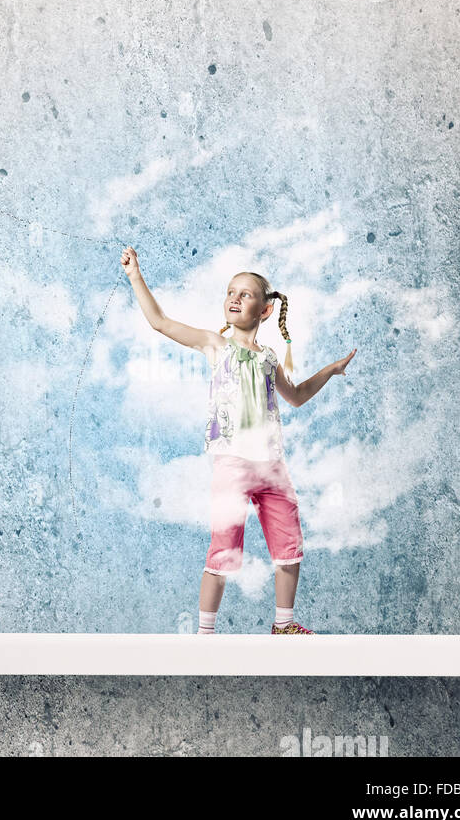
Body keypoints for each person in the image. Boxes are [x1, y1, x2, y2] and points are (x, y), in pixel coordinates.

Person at [120, 246, 355, 635]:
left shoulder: (268, 357)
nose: (234, 297)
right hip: (233, 465)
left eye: (245, 294)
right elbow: (160, 322)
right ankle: (205, 635)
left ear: (264, 310)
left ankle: (283, 625)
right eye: (231, 291)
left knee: (289, 547)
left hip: (272, 467)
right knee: (224, 548)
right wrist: (135, 276)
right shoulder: (216, 345)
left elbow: (294, 397)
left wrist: (329, 371)